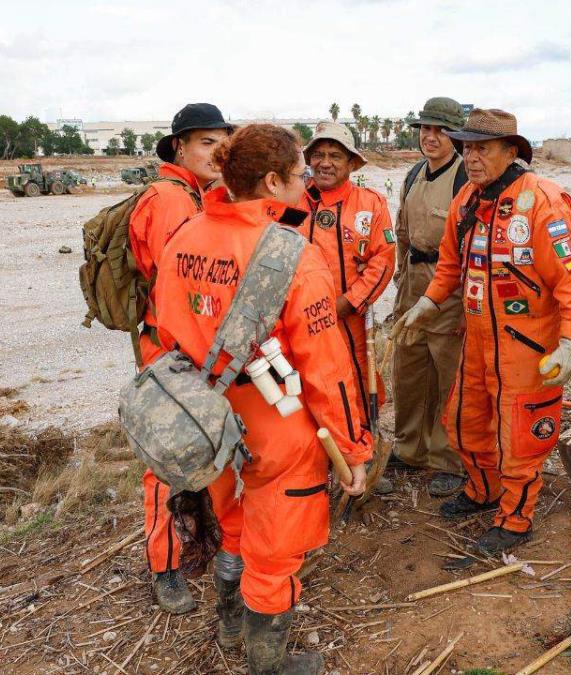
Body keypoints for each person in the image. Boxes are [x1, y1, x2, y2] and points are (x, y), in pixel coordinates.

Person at [151, 123, 371, 673]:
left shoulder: (186, 236)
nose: (306, 184)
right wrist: (354, 449)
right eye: (300, 174)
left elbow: (167, 332)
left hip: (207, 421)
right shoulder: (292, 254)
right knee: (274, 550)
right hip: (277, 423)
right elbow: (328, 368)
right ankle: (267, 664)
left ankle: (229, 626)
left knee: (230, 522)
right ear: (273, 181)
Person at [391, 109, 571, 555]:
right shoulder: (467, 201)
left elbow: (569, 279)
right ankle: (483, 491)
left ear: (510, 151)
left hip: (527, 344)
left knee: (519, 434)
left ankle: (516, 519)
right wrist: (425, 304)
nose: (471, 157)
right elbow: (449, 266)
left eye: (481, 148)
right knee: (465, 420)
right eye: (467, 147)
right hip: (477, 339)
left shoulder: (542, 201)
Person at [133, 103, 235, 614]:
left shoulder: (195, 195)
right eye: (206, 143)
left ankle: (196, 543)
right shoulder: (171, 202)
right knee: (167, 462)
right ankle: (165, 567)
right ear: (179, 147)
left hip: (189, 348)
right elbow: (181, 289)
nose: (217, 153)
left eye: (223, 143)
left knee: (198, 452)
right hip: (171, 352)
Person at [390, 97, 469, 498]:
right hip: (412, 287)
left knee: (448, 379)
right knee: (408, 373)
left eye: (439, 130)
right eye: (425, 129)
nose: (430, 137)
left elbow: (472, 248)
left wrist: (467, 309)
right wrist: (401, 284)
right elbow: (402, 234)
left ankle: (448, 458)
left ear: (455, 134)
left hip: (450, 292)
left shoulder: (465, 178)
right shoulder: (413, 175)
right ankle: (408, 449)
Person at [297, 123, 395, 434]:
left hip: (349, 318)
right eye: (319, 155)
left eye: (335, 156)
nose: (325, 163)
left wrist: (348, 302)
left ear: (351, 163)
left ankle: (362, 450)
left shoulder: (371, 203)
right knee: (305, 385)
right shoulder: (293, 201)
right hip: (298, 319)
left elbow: (383, 259)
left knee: (358, 383)